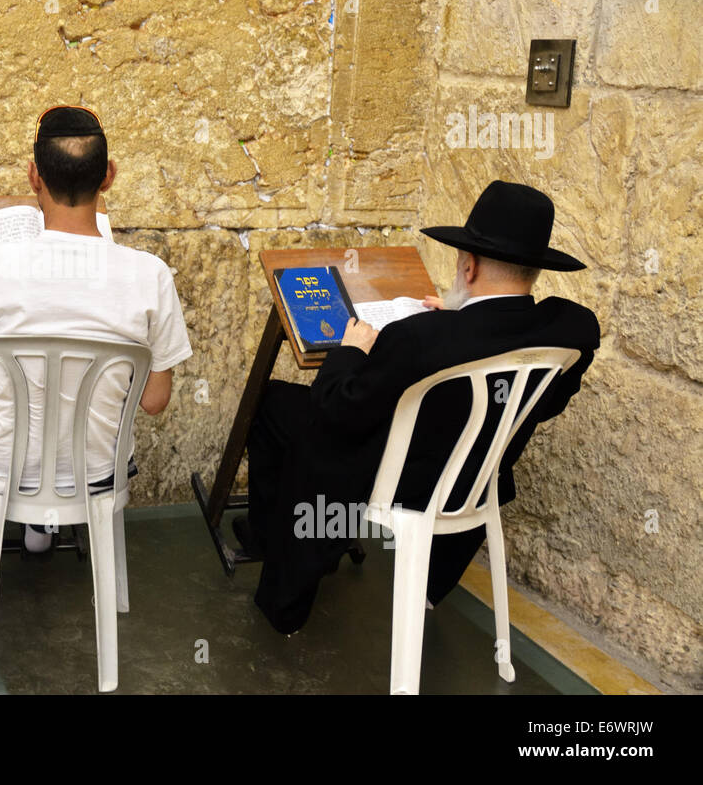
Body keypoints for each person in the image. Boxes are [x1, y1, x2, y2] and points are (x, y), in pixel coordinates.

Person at [237, 180, 600, 634]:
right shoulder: (571, 332)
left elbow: (339, 411)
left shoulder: (416, 339)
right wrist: (457, 318)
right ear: (533, 271)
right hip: (469, 477)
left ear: (468, 267)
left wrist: (351, 350)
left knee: (274, 402)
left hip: (396, 482)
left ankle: (282, 566)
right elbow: (543, 403)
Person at [0, 106, 192, 551]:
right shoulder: (152, 275)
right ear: (109, 176)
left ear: (33, 177)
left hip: (5, 472)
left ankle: (27, 522)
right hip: (99, 474)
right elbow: (155, 400)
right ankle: (47, 524)